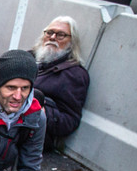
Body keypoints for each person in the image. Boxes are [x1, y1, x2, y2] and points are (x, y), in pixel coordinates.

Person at [30, 17, 91, 148]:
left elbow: (70, 122)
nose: (52, 37)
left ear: (72, 42)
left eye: (60, 35)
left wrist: (41, 111)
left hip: (34, 133)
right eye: (49, 32)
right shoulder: (29, 57)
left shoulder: (74, 74)